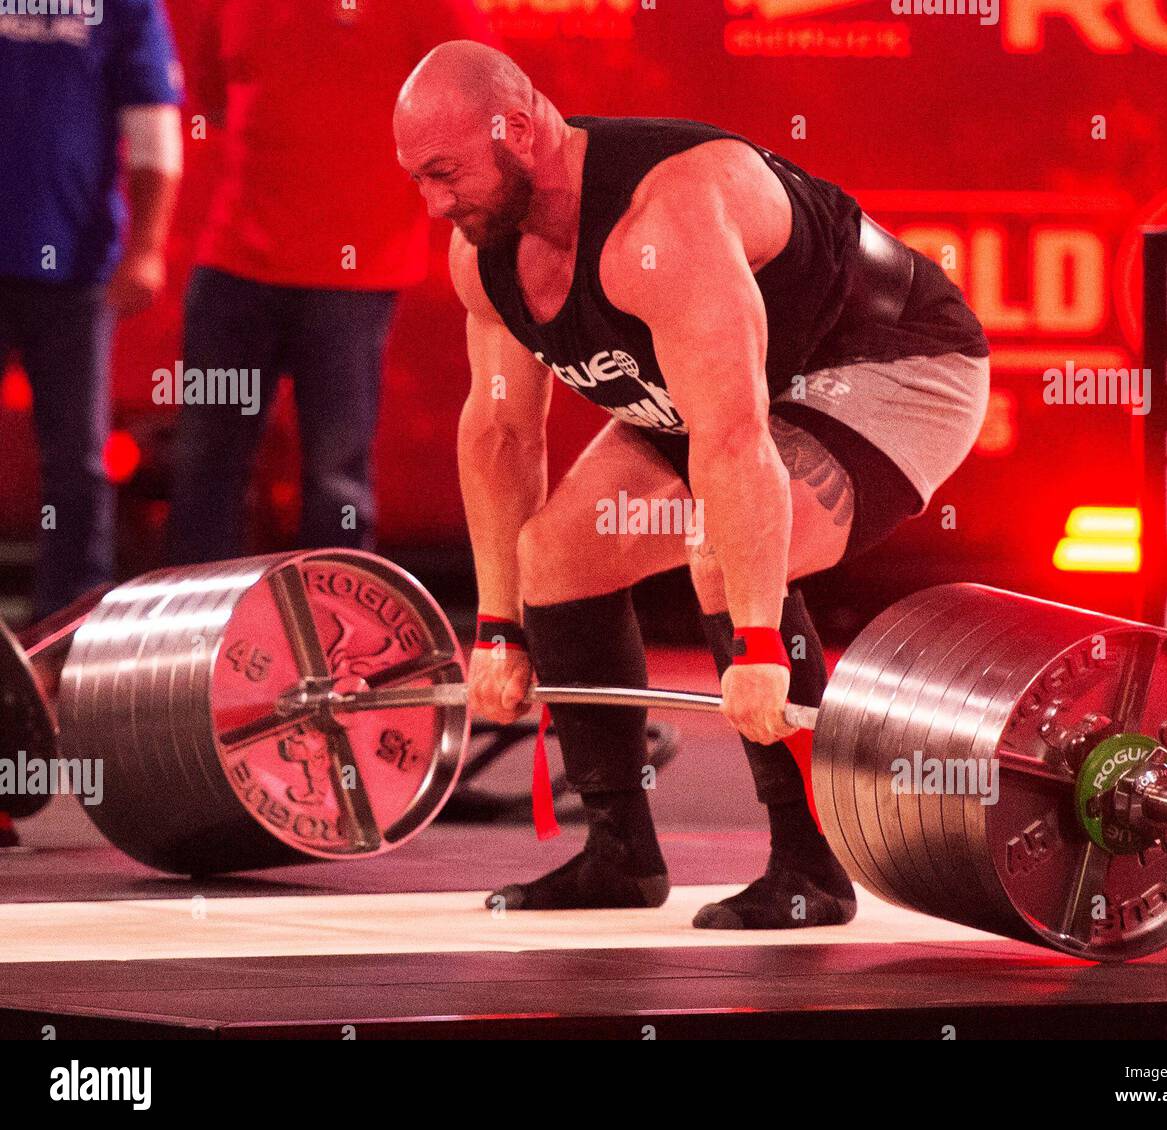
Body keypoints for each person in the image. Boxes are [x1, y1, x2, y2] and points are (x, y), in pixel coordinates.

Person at [393, 41, 991, 929]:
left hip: (883, 368)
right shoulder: (484, 255)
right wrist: (498, 625)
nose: (434, 203)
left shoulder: (662, 220)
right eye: (418, 180)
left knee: (726, 558)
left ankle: (812, 868)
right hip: (714, 388)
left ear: (516, 130)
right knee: (552, 558)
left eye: (445, 173)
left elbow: (735, 436)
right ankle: (618, 856)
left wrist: (755, 644)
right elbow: (500, 433)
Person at [167, 0, 491, 565]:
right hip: (234, 265)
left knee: (336, 477)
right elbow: (213, 99)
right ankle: (192, 640)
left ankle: (336, 636)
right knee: (205, 466)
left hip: (356, 272)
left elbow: (484, 96)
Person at [0, 0, 183, 621]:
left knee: (77, 456)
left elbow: (154, 124)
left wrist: (148, 250)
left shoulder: (126, 6)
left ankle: (68, 628)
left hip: (73, 266)